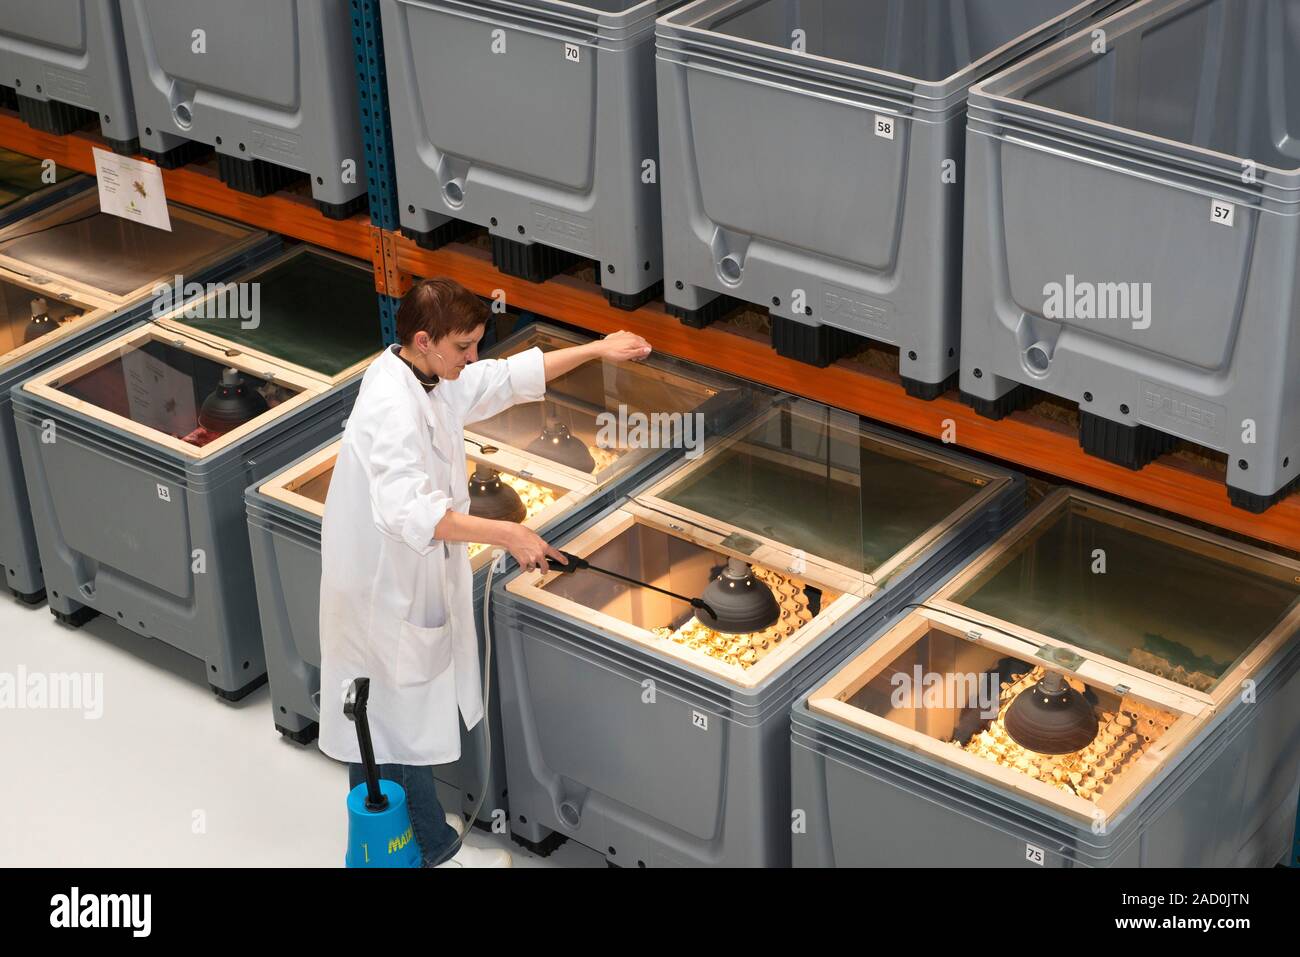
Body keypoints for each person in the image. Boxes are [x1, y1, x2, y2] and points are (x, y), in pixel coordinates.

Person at [318, 278, 652, 867]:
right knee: (382, 723)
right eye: (464, 347)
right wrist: (511, 534)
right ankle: (403, 846)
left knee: (394, 722)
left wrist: (598, 349)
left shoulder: (429, 377)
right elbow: (409, 511)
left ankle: (424, 839)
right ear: (425, 341)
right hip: (379, 589)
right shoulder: (390, 405)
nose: (473, 358)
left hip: (407, 578)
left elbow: (507, 378)